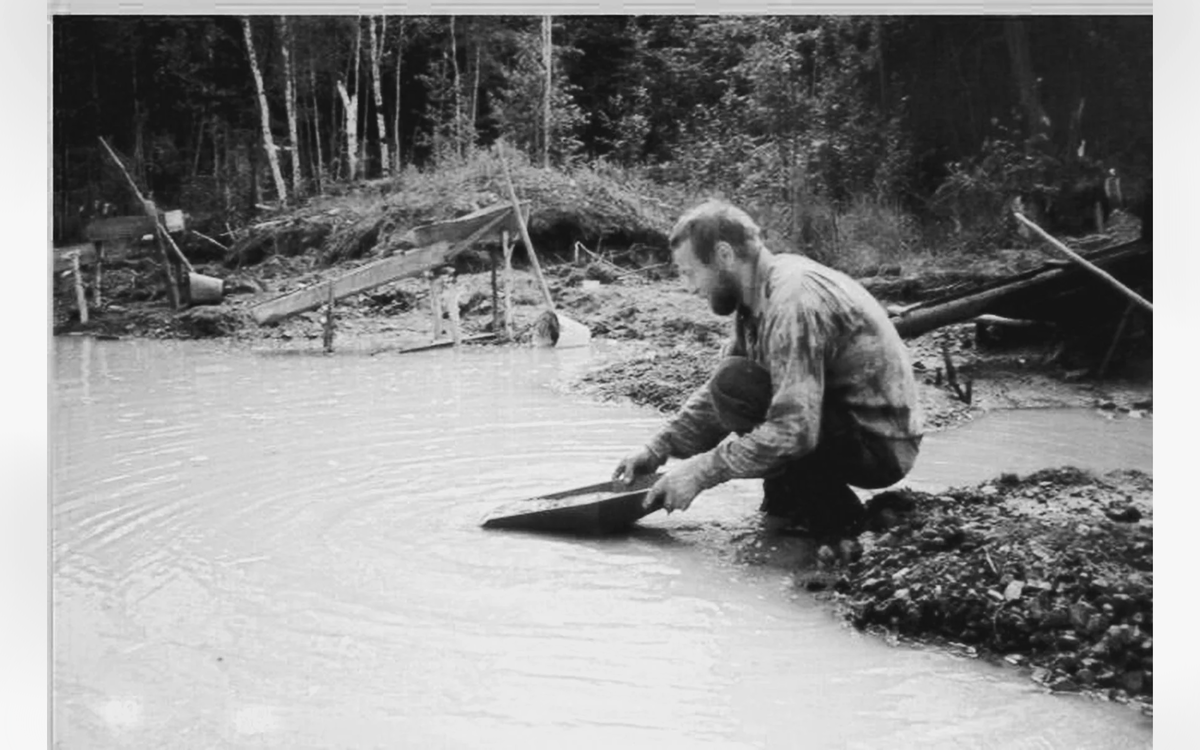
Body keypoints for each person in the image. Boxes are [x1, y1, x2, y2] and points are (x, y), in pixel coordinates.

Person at [613, 200, 923, 550]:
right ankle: (788, 512)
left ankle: (838, 524)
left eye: (689, 272)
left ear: (724, 256)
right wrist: (658, 448)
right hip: (845, 425)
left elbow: (793, 431)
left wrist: (701, 472)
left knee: (740, 386)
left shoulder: (792, 301)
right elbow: (718, 399)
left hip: (881, 445)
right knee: (733, 382)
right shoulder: (755, 301)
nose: (689, 287)